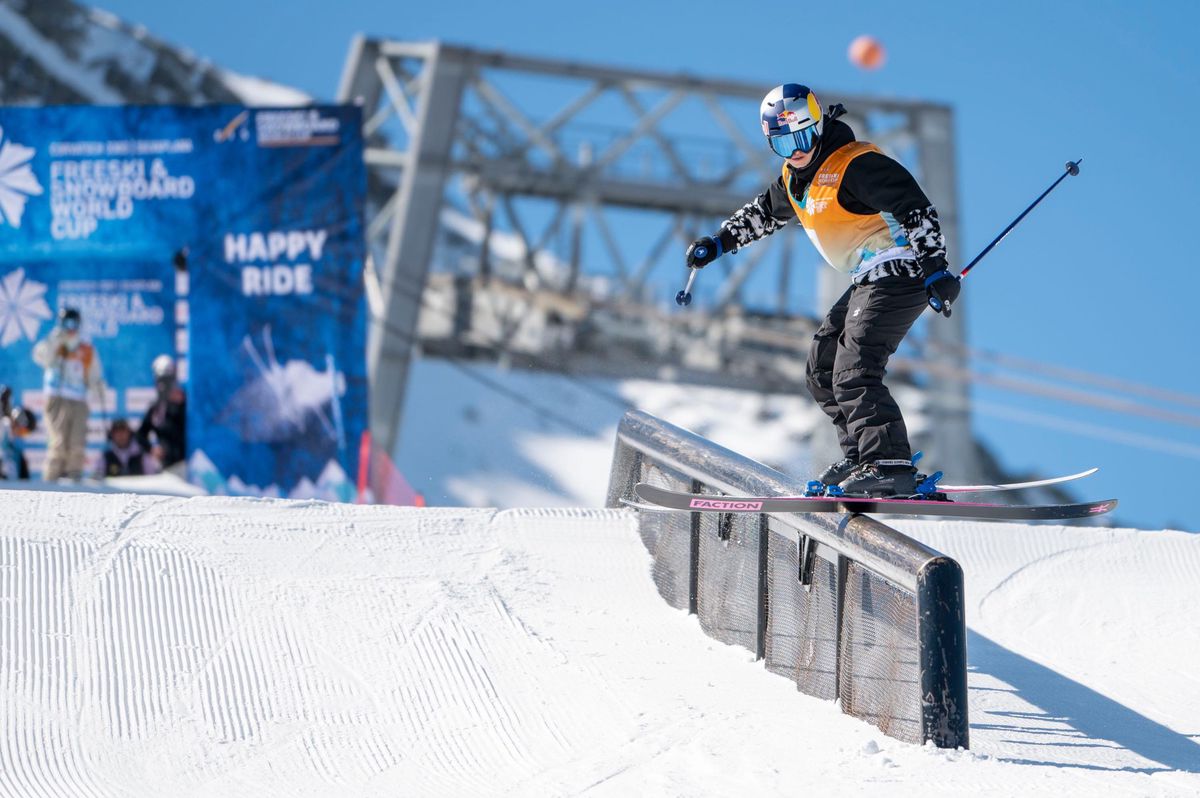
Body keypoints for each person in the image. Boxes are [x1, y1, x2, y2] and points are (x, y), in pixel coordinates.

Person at [685, 84, 961, 498]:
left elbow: (913, 206)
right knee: (823, 368)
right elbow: (763, 214)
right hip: (867, 278)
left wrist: (936, 267)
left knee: (855, 366)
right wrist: (720, 242)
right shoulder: (794, 180)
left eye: (802, 137)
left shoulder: (857, 164)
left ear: (819, 125)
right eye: (783, 144)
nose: (796, 151)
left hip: (901, 271)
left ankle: (888, 462)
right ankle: (861, 455)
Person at [32, 307, 105, 481]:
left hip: (79, 399)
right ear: (60, 324)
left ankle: (75, 479)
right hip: (57, 398)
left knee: (77, 443)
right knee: (58, 443)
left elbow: (95, 373)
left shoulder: (86, 348)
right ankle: (50, 482)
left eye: (74, 324)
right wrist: (54, 341)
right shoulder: (54, 342)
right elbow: (41, 357)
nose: (70, 328)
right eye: (67, 323)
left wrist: (98, 387)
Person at [137, 353, 186, 473]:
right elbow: (140, 434)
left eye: (168, 380)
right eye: (161, 380)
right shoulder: (156, 408)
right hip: (165, 466)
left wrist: (181, 405)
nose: (164, 386)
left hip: (187, 463)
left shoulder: (186, 403)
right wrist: (152, 449)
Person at [1, 406, 36, 480]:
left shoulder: (14, 446)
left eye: (24, 433)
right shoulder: (4, 425)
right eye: (22, 431)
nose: (20, 435)